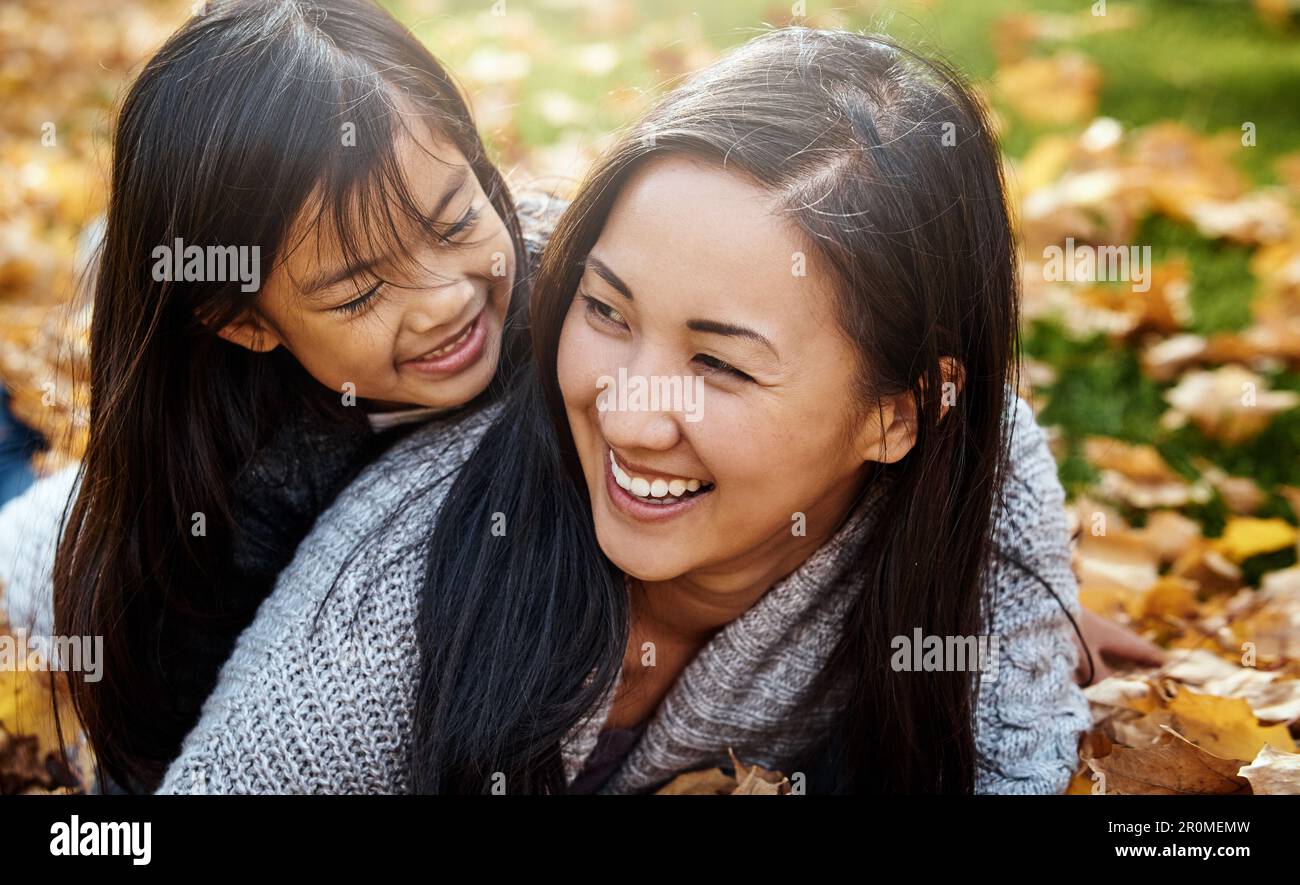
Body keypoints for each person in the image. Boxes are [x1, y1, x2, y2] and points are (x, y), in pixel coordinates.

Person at [158, 28, 1094, 795]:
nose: (632, 419)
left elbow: (1011, 756)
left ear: (902, 415)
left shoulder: (979, 477)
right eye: (604, 309)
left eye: (720, 363)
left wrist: (1036, 616)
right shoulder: (387, 593)